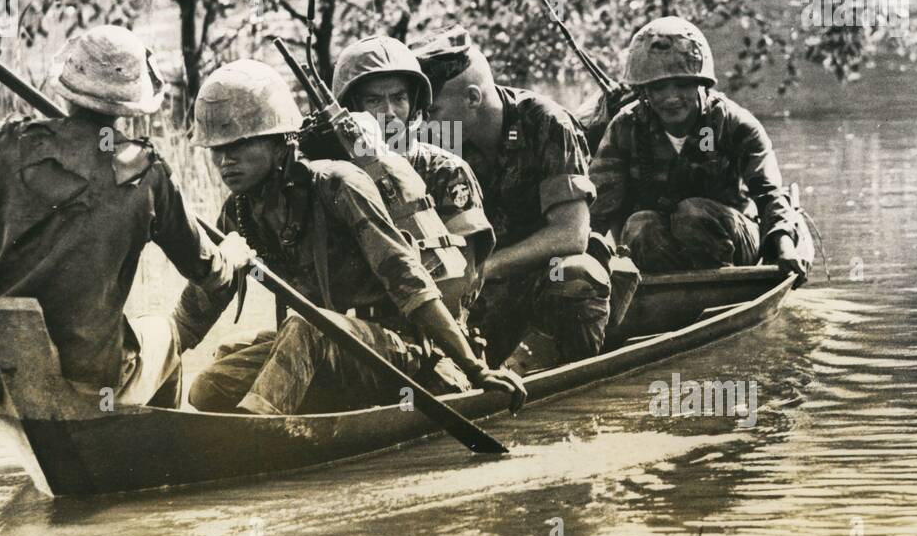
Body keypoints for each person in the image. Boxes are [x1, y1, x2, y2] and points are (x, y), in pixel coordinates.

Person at [0, 24, 242, 413]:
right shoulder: (146, 172)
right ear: (131, 104)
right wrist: (233, 256)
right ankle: (155, 450)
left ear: (67, 88)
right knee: (166, 336)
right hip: (85, 388)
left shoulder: (9, 140)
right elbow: (207, 271)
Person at [183, 58, 526, 416]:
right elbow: (201, 302)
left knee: (307, 325)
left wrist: (474, 368)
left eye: (238, 146)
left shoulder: (339, 185)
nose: (225, 162)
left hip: (402, 350)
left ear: (278, 142)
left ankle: (260, 432)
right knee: (210, 387)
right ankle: (280, 417)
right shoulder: (240, 210)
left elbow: (410, 282)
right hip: (328, 347)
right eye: (217, 150)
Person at [412, 29, 611, 367]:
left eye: (432, 110)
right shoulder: (439, 142)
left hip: (543, 275)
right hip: (481, 288)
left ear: (473, 99)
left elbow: (570, 234)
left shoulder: (547, 123)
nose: (423, 121)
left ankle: (575, 380)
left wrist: (488, 266)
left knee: (576, 277)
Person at [588, 16, 809, 280]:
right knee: (639, 225)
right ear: (644, 92)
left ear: (701, 84)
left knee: (693, 213)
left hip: (735, 242)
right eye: (658, 88)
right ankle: (670, 300)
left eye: (682, 85)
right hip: (661, 248)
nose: (671, 98)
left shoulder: (735, 123)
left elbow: (769, 193)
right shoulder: (625, 128)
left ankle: (723, 289)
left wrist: (785, 246)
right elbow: (598, 206)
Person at [331, 34, 494, 319]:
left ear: (414, 102)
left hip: (437, 330)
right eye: (373, 100)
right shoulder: (337, 177)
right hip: (354, 328)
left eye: (399, 98)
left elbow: (462, 279)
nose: (389, 112)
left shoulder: (445, 170)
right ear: (352, 109)